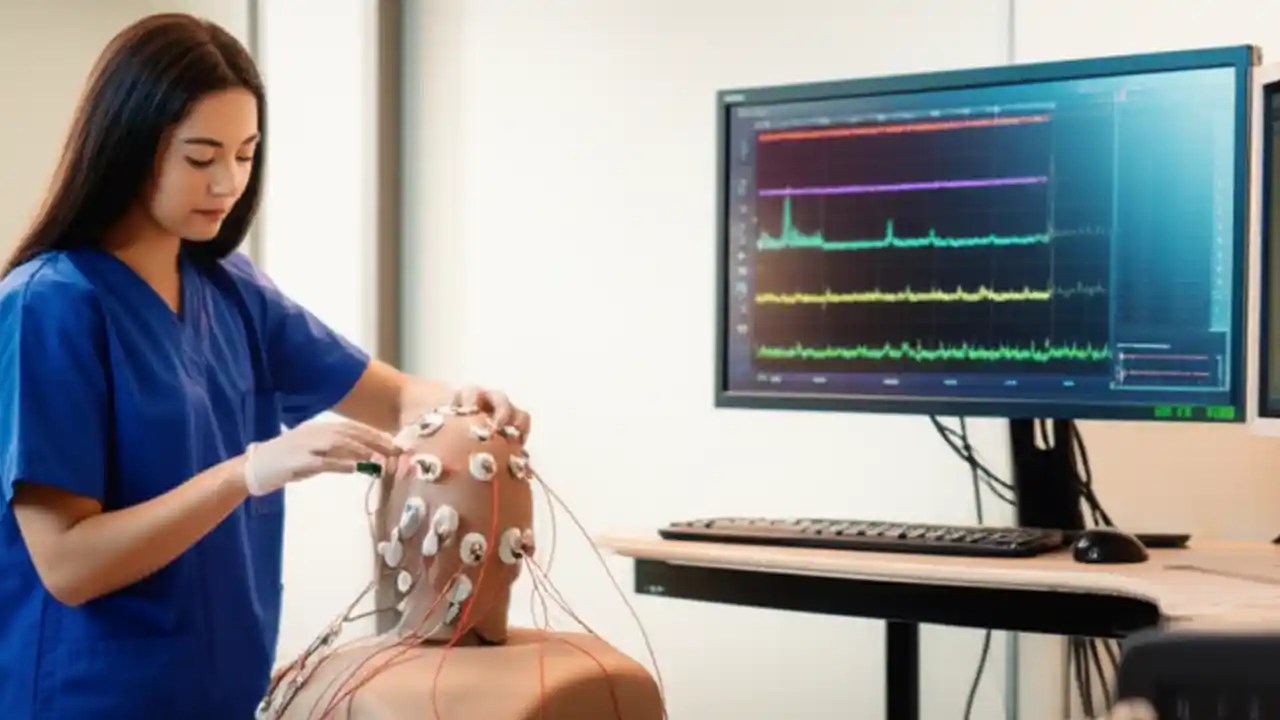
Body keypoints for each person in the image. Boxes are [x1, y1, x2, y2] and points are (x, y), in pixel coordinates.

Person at [0, 13, 529, 719]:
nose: (228, 181)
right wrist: (249, 471)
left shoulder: (232, 290)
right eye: (201, 156)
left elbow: (398, 399)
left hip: (224, 693)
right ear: (128, 146)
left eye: (246, 154)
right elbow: (68, 565)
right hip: (88, 698)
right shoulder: (50, 305)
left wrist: (467, 406)